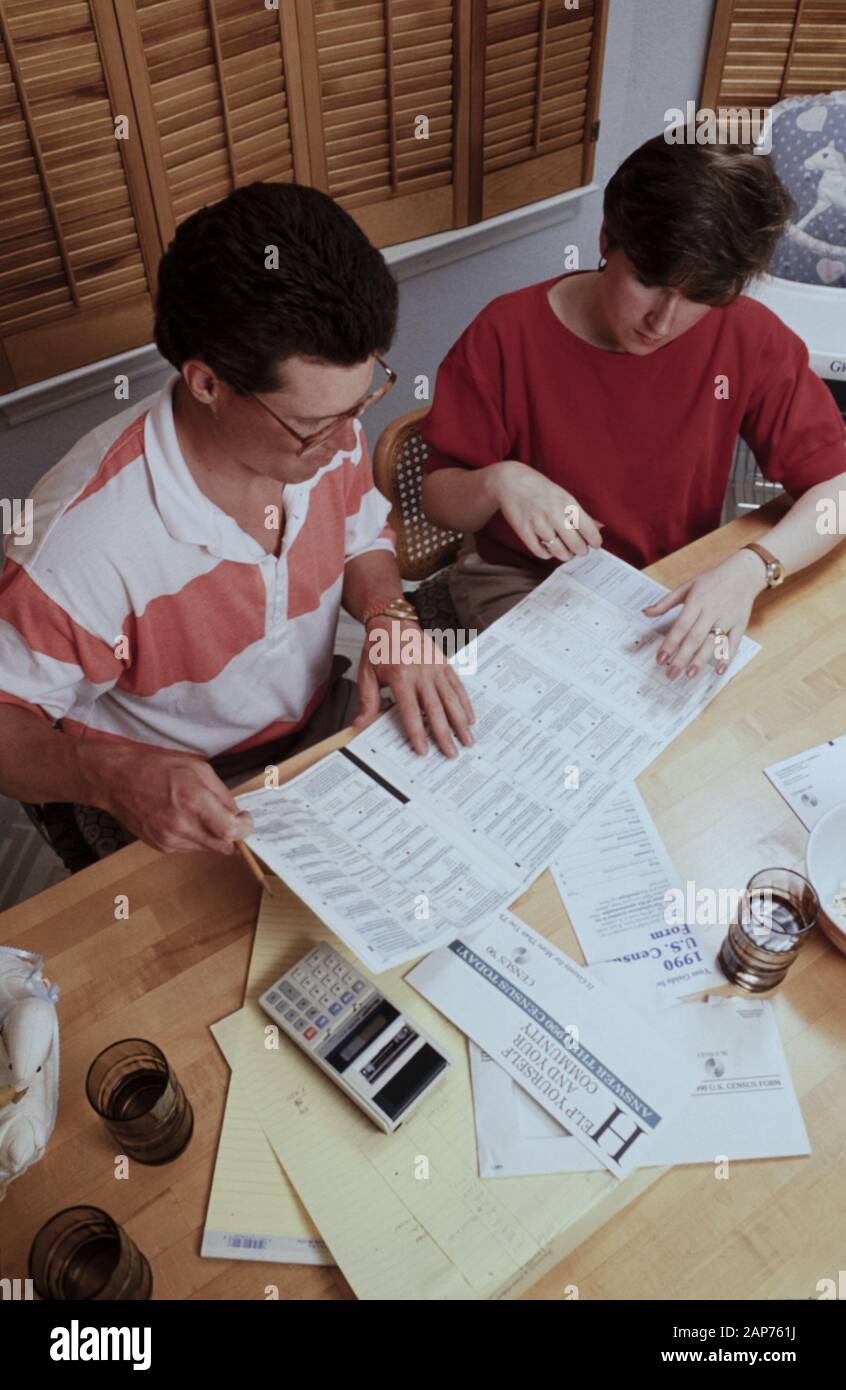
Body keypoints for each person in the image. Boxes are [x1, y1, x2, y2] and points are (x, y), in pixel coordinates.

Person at [0, 183, 474, 863]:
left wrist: (387, 615)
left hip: (314, 728)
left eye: (361, 400)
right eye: (313, 423)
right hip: (181, 787)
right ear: (207, 383)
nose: (345, 438)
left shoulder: (322, 429)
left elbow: (361, 535)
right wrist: (110, 775)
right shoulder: (81, 541)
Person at [420, 134, 846, 677]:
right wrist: (499, 481)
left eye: (699, 297)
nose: (662, 322)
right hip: (524, 579)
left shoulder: (747, 335)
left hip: (668, 574)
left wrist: (751, 568)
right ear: (606, 239)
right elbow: (437, 498)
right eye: (648, 282)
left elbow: (837, 492)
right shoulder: (507, 333)